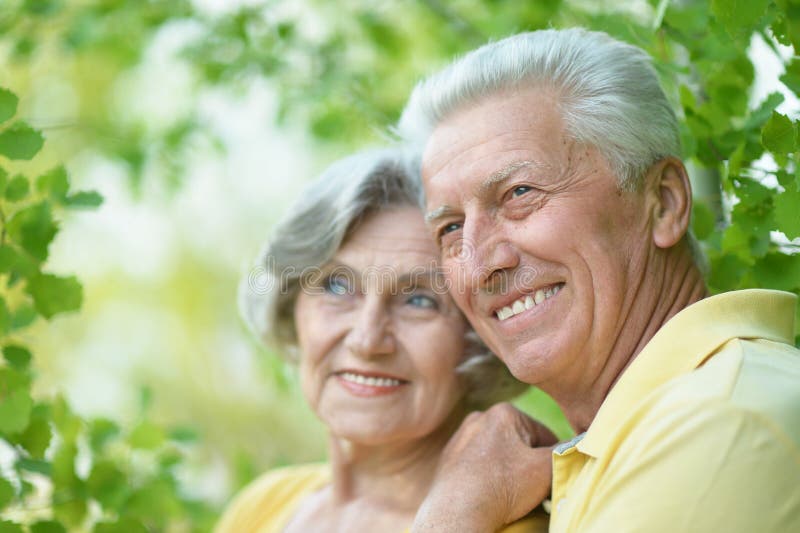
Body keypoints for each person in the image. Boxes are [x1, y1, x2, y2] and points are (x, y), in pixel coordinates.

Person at [397, 28, 800, 532]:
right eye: (451, 228)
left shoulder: (719, 423)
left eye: (520, 192)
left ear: (664, 203)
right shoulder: (637, 437)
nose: (479, 264)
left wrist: (451, 516)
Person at [215, 148, 551, 533]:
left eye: (419, 300)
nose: (367, 340)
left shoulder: (509, 527)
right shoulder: (264, 507)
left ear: (476, 338)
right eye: (337, 286)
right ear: (292, 306)